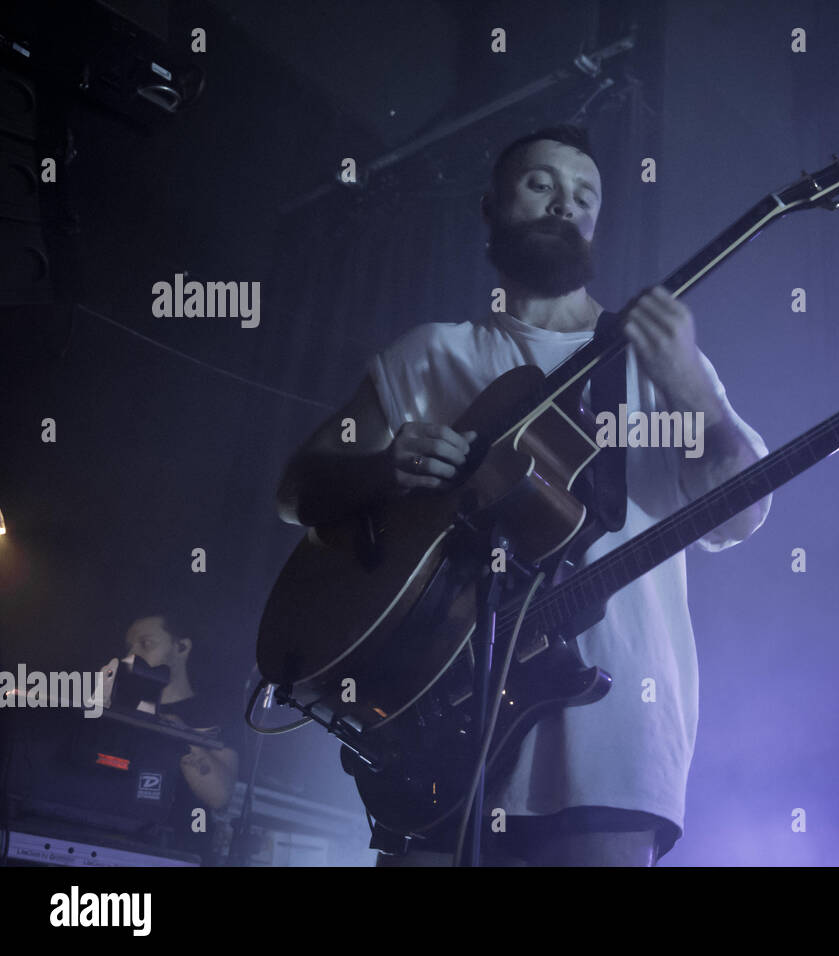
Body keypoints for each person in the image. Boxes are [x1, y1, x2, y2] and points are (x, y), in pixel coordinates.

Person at [276, 124, 772, 865]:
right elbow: (297, 491)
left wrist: (693, 387)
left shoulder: (653, 360)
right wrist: (382, 471)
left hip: (608, 730)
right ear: (490, 206)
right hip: (434, 718)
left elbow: (745, 513)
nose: (563, 204)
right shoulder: (429, 353)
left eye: (584, 196)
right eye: (541, 184)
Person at [120, 614, 239, 863]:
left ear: (182, 647)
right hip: (119, 843)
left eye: (146, 643)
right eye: (129, 648)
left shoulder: (213, 713)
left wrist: (180, 733)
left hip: (179, 851)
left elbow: (218, 795)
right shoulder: (120, 710)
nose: (132, 656)